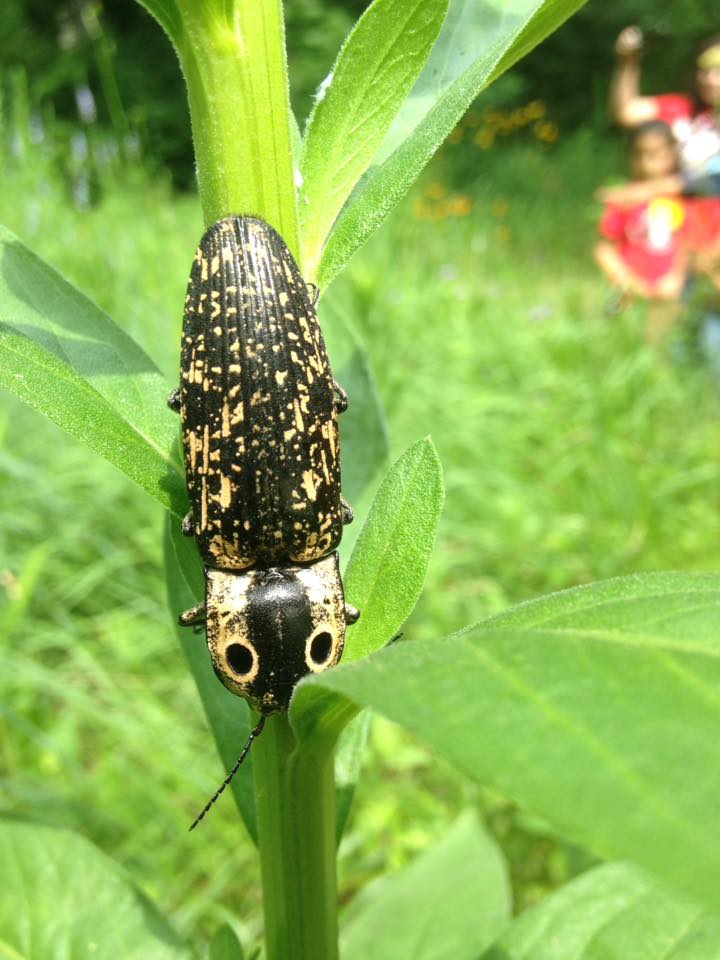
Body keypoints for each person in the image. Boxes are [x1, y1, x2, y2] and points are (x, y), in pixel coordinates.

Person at [595, 121, 690, 311]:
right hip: (630, 296)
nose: (646, 163)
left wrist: (678, 278)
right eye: (640, 155)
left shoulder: (687, 199)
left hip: (676, 294)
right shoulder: (625, 199)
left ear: (673, 153)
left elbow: (694, 245)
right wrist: (626, 279)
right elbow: (603, 248)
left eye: (655, 154)